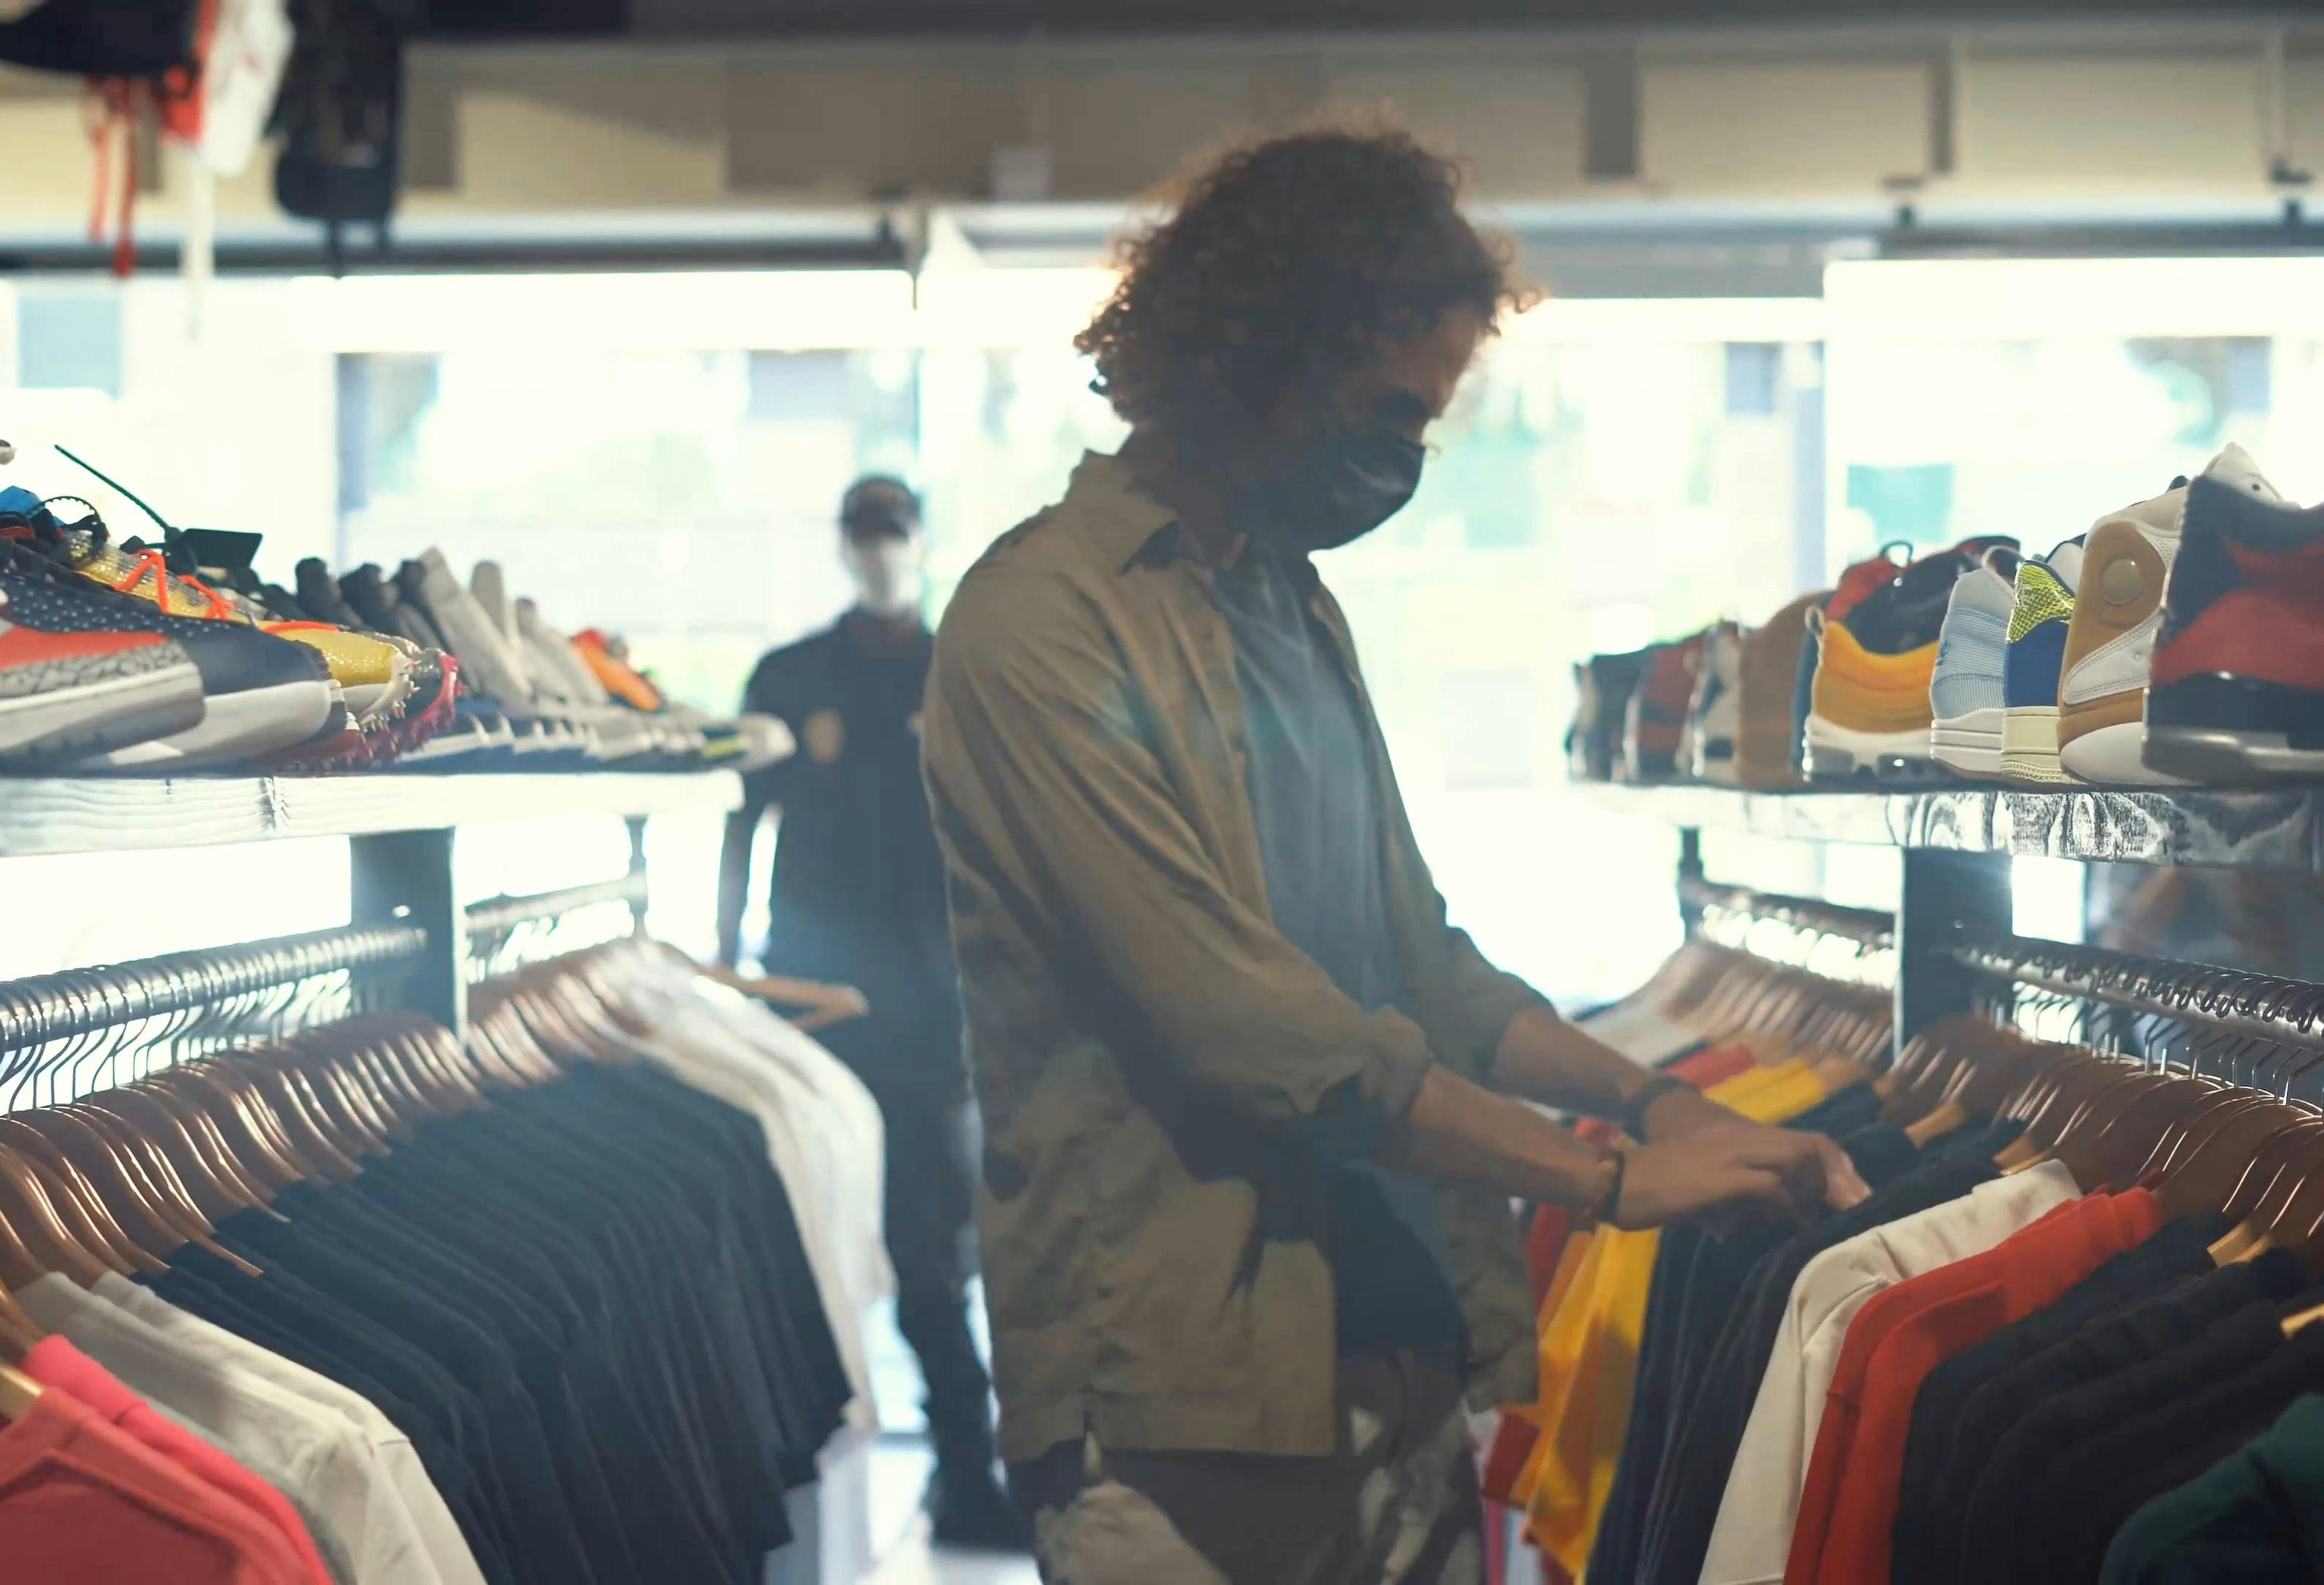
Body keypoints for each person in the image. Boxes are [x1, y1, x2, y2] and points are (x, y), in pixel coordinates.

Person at [919, 120, 1868, 1584]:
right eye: (1388, 412)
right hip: (1181, 1435)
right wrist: (1609, 1179)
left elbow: (1418, 959)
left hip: (1395, 1372)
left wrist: (1659, 1103)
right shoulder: (1041, 621)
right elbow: (1243, 1022)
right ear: (1265, 352)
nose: (1403, 458)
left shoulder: (1292, 606)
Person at [717, 476, 1029, 1551]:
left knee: (932, 1250)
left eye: (894, 533)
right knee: (801, 1236)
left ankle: (968, 1473)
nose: (880, 551)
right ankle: (791, 1480)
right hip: (809, 1004)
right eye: (865, 534)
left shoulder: (963, 673)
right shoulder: (791, 676)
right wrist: (726, 965)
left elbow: (1011, 838)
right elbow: (739, 823)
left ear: (921, 541)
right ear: (844, 545)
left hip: (933, 1013)